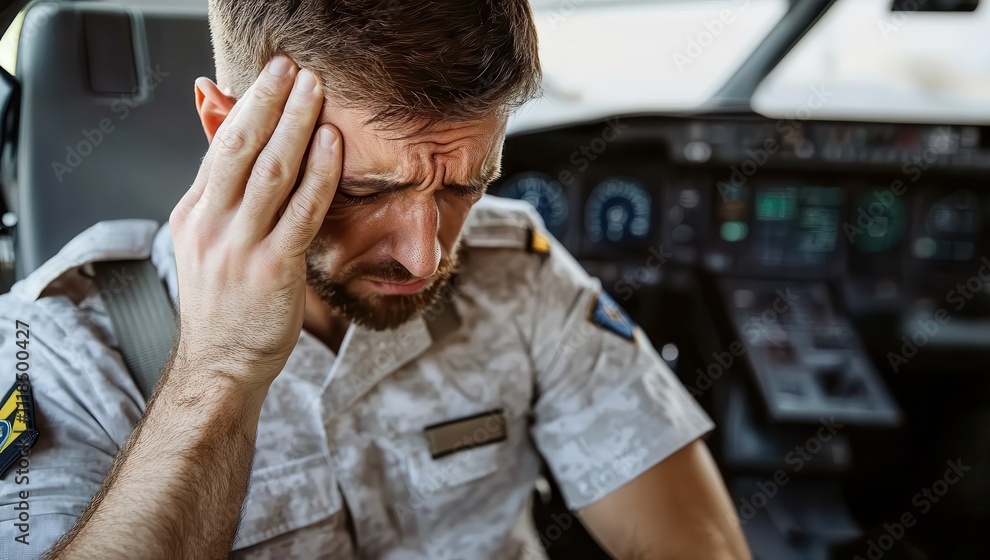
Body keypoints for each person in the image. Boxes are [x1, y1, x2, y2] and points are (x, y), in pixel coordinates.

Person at [0, 0, 751, 558]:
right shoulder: (56, 349)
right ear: (231, 131)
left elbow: (695, 543)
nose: (425, 259)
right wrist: (217, 370)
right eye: (362, 191)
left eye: (465, 187)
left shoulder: (516, 272)